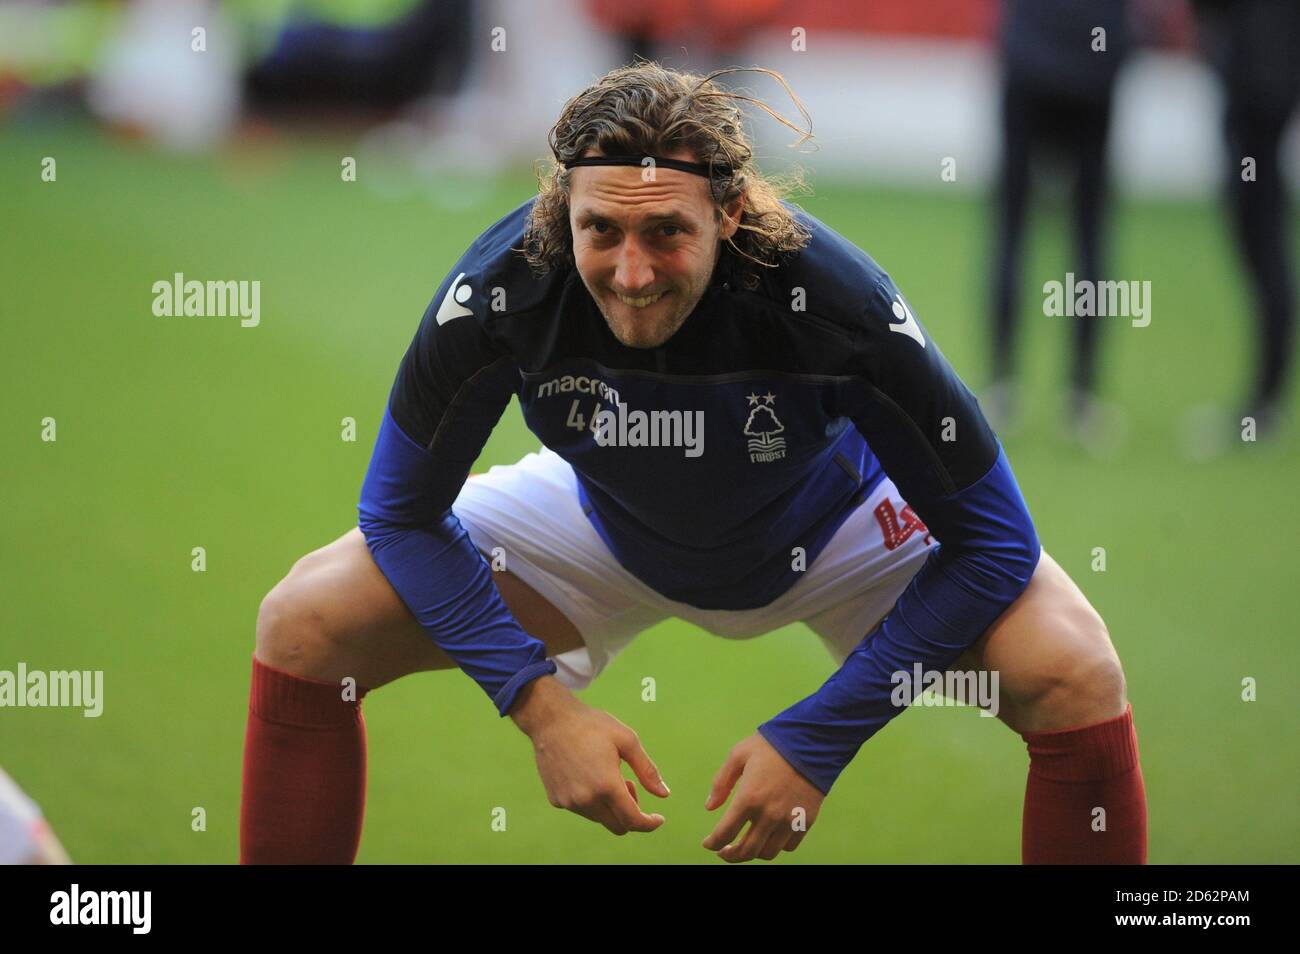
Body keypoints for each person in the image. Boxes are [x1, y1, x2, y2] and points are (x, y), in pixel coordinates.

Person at [240, 63, 1146, 864]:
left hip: (835, 528)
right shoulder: (503, 291)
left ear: (731, 211)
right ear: (563, 209)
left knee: (1073, 671)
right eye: (601, 231)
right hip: (606, 523)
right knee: (305, 621)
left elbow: (994, 543)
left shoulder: (838, 304)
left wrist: (819, 737)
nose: (631, 272)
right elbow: (398, 514)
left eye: (666, 233)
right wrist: (540, 709)